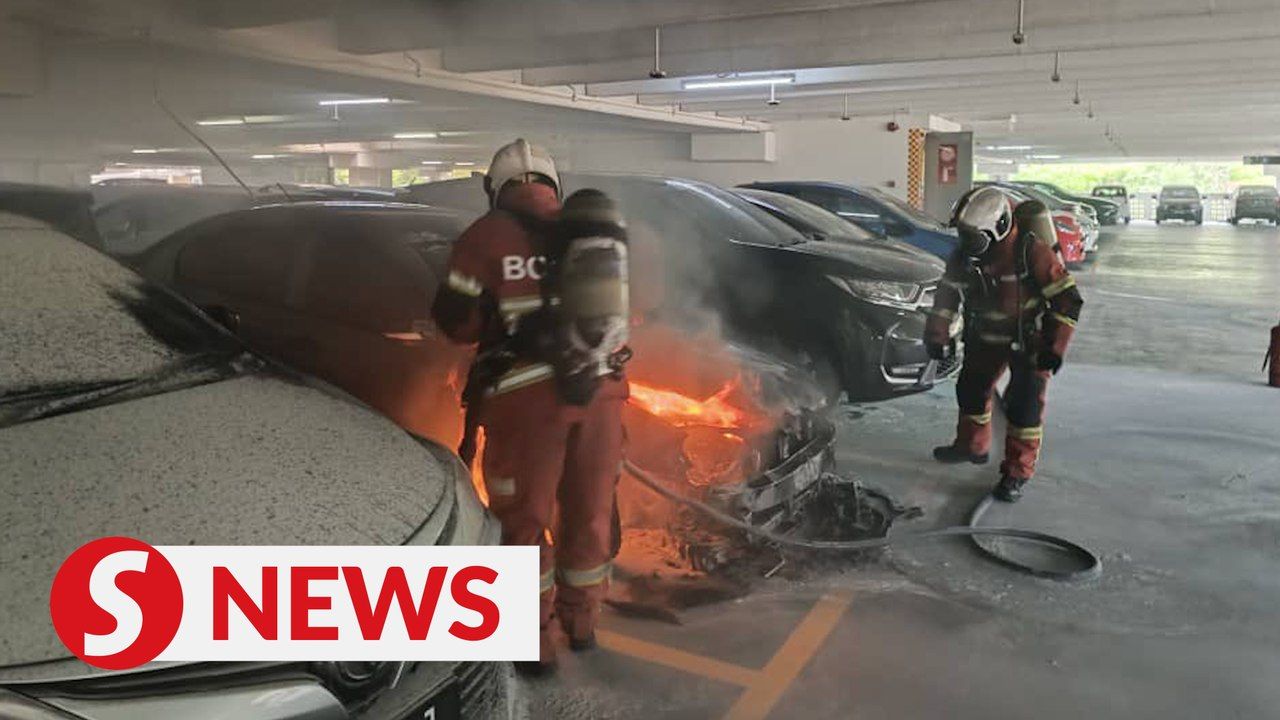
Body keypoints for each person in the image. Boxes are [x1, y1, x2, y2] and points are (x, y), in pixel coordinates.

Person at [431, 139, 628, 675]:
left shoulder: (485, 235)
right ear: (552, 185)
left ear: (495, 188)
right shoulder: (591, 232)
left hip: (528, 401)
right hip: (602, 392)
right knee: (589, 512)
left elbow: (457, 324)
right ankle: (583, 622)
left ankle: (531, 642)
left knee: (522, 521)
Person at [924, 188, 1083, 502]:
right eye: (965, 235)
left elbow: (1068, 300)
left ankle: (1016, 473)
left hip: (1029, 343)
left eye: (974, 237)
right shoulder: (965, 256)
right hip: (984, 337)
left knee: (1024, 408)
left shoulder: (1031, 252)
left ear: (997, 228)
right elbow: (947, 296)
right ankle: (972, 447)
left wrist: (1054, 347)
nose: (969, 243)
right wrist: (937, 335)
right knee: (971, 391)